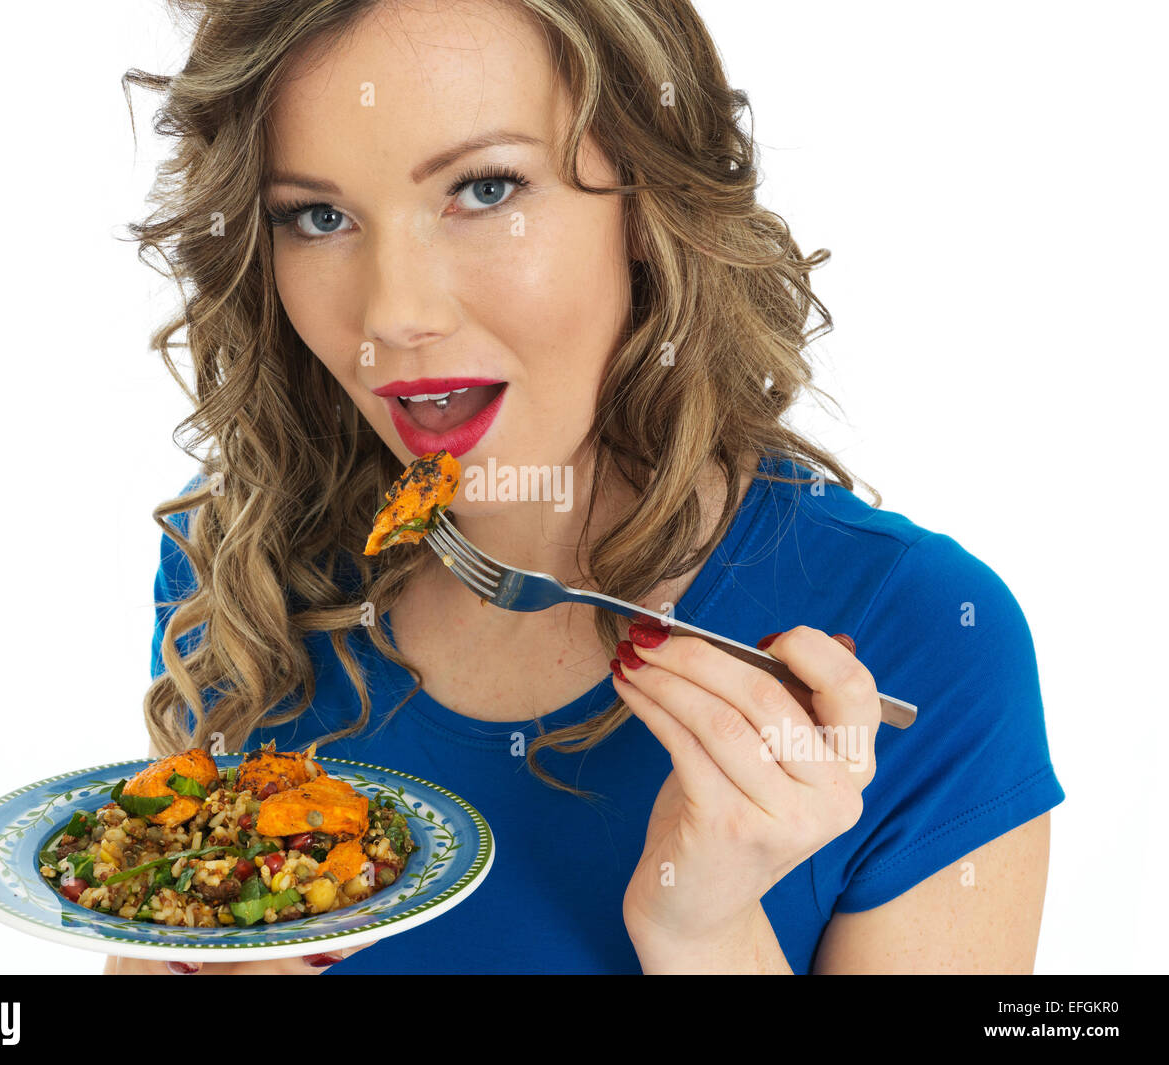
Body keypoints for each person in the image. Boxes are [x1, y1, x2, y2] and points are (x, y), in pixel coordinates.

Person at [107, 0, 1063, 974]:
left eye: (483, 189)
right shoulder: (247, 554)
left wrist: (704, 934)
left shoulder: (924, 636)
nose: (393, 315)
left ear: (648, 204)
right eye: (317, 216)